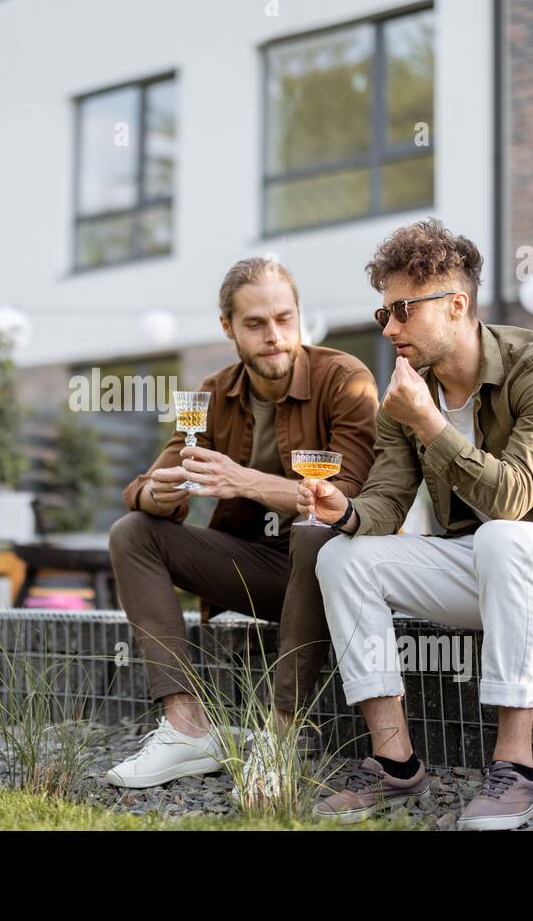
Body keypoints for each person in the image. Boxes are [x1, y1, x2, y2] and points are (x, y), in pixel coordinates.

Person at [299, 219, 533, 829]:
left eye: (402, 310)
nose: (389, 329)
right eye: (382, 313)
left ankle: (515, 769)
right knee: (340, 556)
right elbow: (385, 500)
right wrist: (347, 511)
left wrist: (431, 426)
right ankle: (395, 763)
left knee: (503, 535)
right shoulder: (408, 398)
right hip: (484, 565)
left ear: (456, 304)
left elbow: (514, 497)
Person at [104, 256, 378, 789]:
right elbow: (148, 484)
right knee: (131, 532)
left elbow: (350, 498)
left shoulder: (344, 378)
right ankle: (186, 730)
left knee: (313, 529)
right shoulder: (212, 393)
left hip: (337, 574)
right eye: (255, 324)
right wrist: (157, 494)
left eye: (284, 318)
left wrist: (244, 480)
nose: (274, 336)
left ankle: (282, 733)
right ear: (228, 327)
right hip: (257, 574)